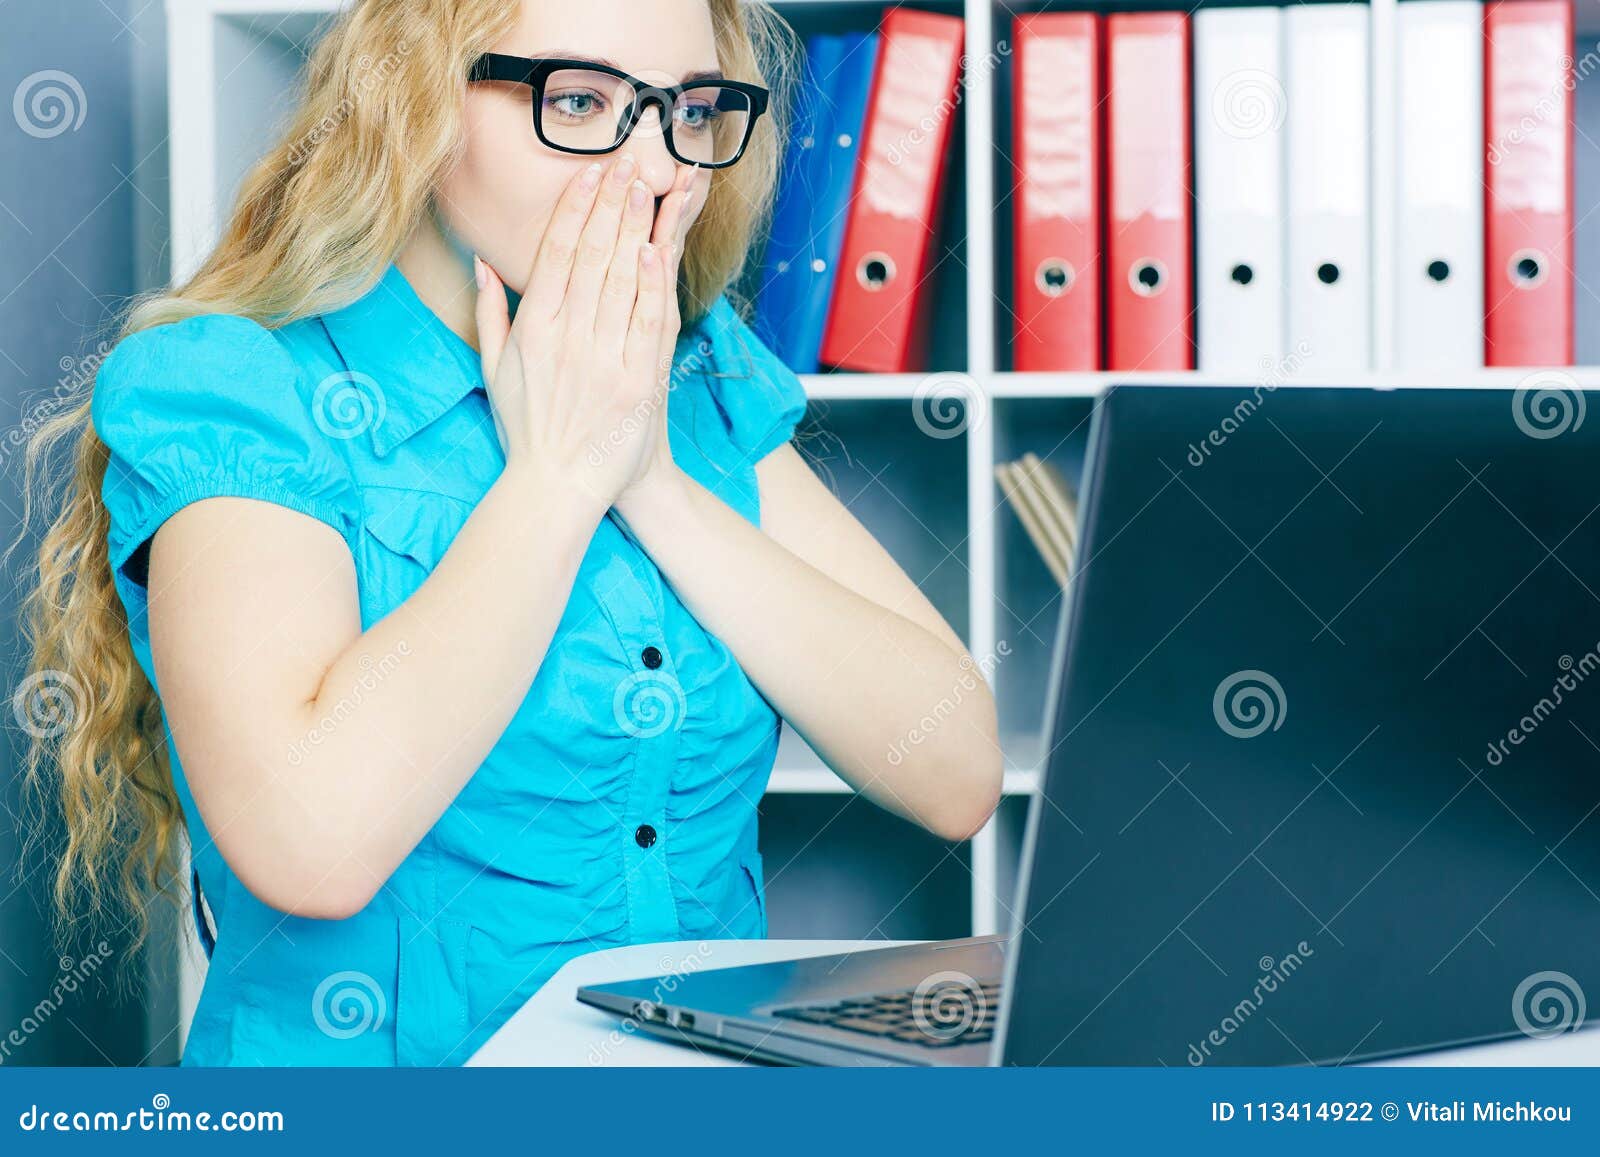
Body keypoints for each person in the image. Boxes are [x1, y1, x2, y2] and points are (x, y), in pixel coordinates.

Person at [20, 0, 1000, 1065]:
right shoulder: (236, 385)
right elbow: (312, 842)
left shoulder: (694, 370)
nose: (653, 169)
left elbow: (951, 770)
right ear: (417, 102)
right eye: (580, 101)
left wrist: (652, 479)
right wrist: (557, 474)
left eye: (688, 113)